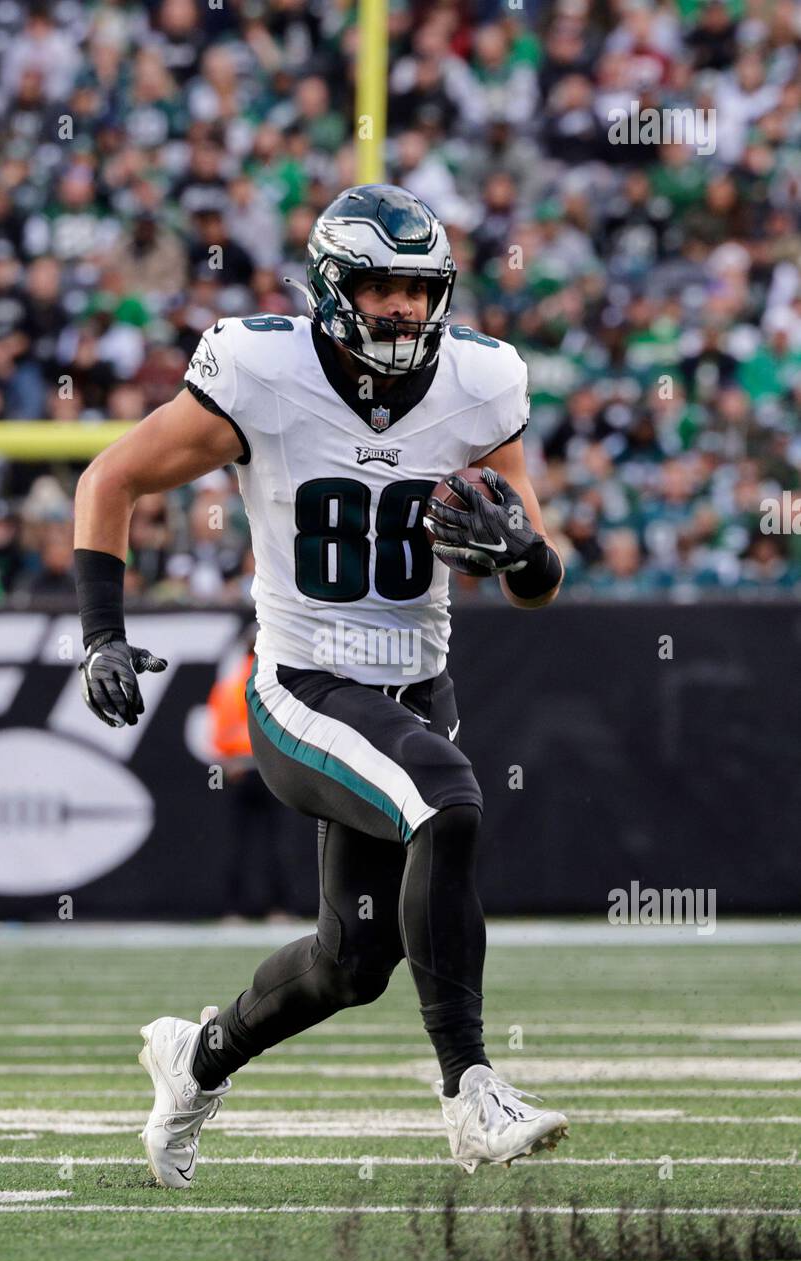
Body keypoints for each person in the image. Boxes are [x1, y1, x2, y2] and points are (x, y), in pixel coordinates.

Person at [73, 184, 568, 1187]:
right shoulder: (261, 369)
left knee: (355, 961)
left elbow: (539, 583)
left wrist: (520, 551)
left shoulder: (481, 383)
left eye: (418, 290)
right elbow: (109, 480)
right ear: (337, 288)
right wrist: (101, 636)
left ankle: (196, 1057)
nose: (401, 309)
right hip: (304, 685)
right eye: (382, 287)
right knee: (451, 800)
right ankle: (471, 1090)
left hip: (417, 691)